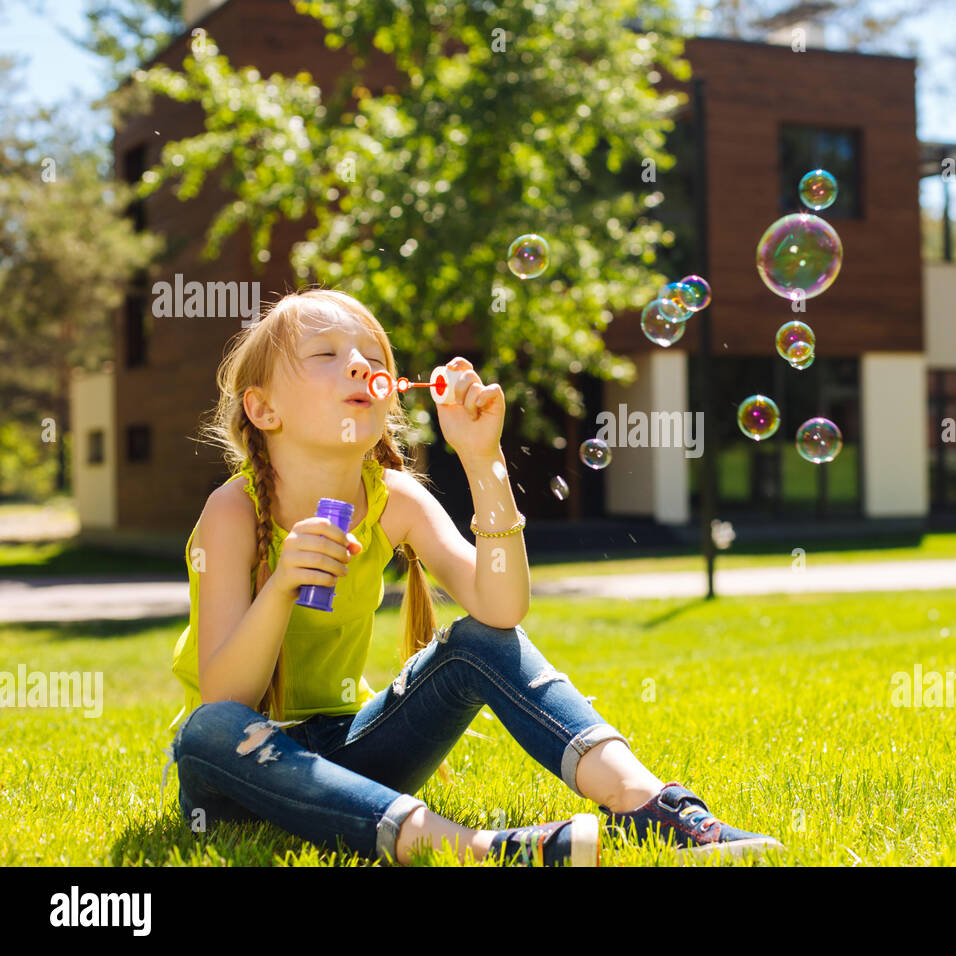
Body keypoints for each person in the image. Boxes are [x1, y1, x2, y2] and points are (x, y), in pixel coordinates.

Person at [159, 288, 785, 866]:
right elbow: (227, 698)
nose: (357, 364)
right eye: (326, 353)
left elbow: (501, 608)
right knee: (208, 727)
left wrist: (481, 459)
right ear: (263, 408)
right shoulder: (233, 512)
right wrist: (280, 585)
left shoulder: (393, 500)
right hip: (236, 774)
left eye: (370, 355)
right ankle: (478, 850)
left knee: (479, 641)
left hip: (353, 752)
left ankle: (652, 808)